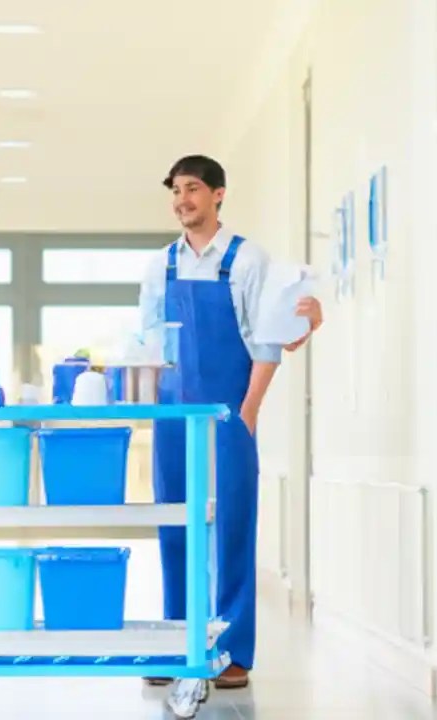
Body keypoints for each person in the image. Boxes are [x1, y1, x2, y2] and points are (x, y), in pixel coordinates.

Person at [140, 155, 323, 690]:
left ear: (218, 195)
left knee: (232, 527)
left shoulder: (247, 260)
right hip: (171, 413)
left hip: (228, 412)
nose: (182, 200)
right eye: (176, 191)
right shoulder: (161, 266)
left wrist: (247, 414)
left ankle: (231, 649)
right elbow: (149, 340)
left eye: (192, 189)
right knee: (175, 525)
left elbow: (267, 341)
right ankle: (178, 640)